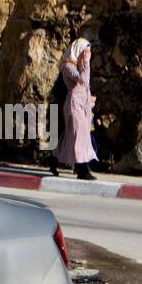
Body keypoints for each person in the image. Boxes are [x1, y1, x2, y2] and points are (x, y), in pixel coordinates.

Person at [57, 38, 97, 180]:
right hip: (74, 106)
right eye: (85, 51)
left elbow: (85, 86)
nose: (87, 54)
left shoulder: (80, 67)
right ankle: (82, 171)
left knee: (73, 137)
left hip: (83, 106)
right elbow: (83, 81)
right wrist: (86, 63)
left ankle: (54, 160)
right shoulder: (68, 67)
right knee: (80, 136)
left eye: (89, 51)